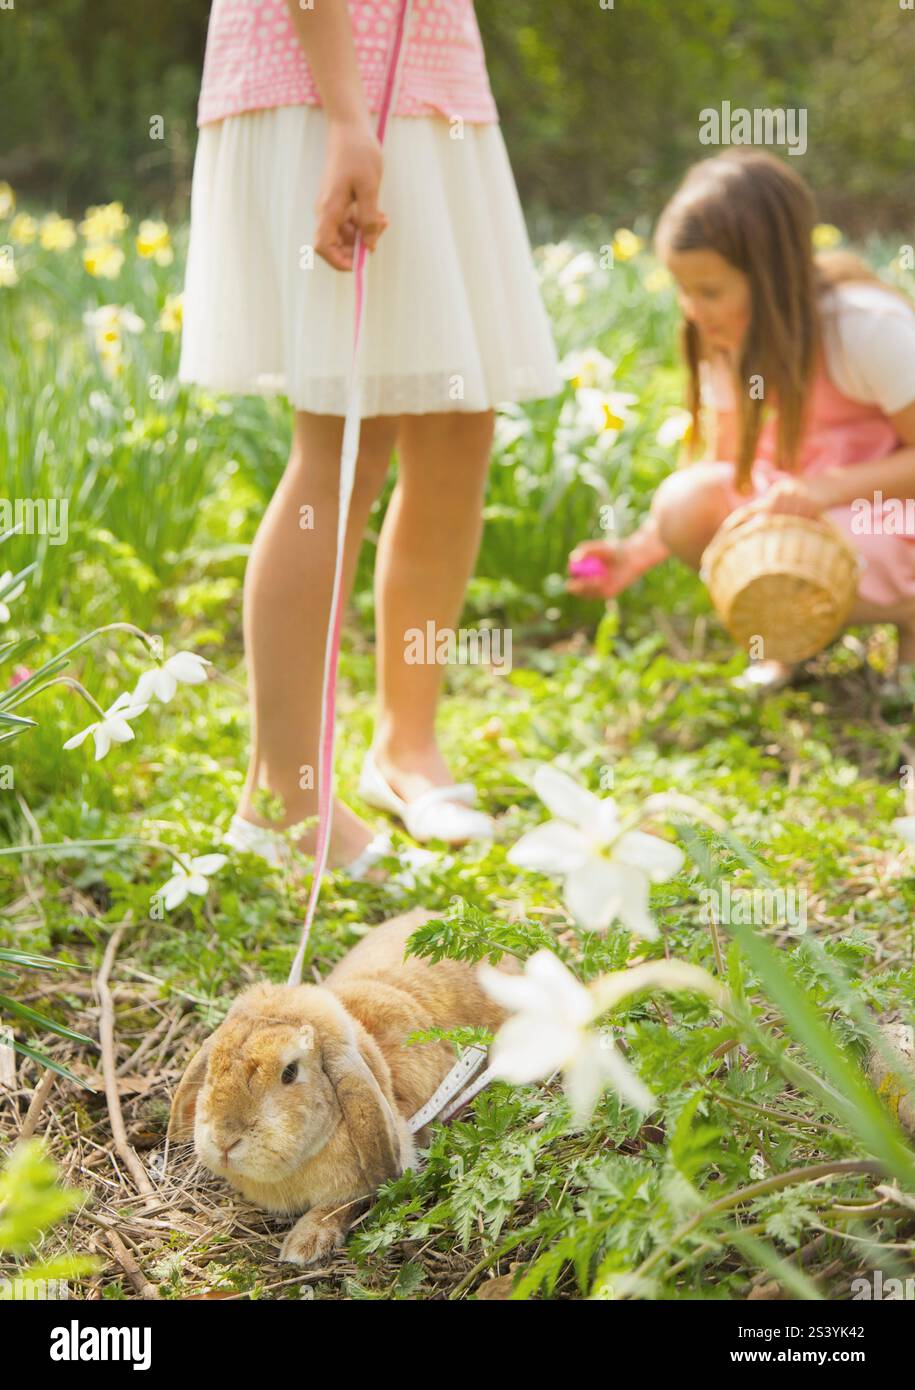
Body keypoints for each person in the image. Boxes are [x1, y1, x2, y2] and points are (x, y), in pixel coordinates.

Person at [179, 0, 561, 874]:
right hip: (328, 85)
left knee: (461, 424)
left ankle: (404, 750)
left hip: (430, 84)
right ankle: (287, 800)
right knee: (345, 438)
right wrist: (348, 121)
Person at [569, 151, 915, 680]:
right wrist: (636, 552)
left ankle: (906, 616)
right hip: (804, 510)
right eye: (683, 288)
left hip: (887, 513)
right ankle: (788, 635)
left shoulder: (865, 330)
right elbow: (730, 468)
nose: (693, 309)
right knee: (687, 502)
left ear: (775, 279)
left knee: (815, 544)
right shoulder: (730, 340)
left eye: (710, 291)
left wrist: (824, 491)